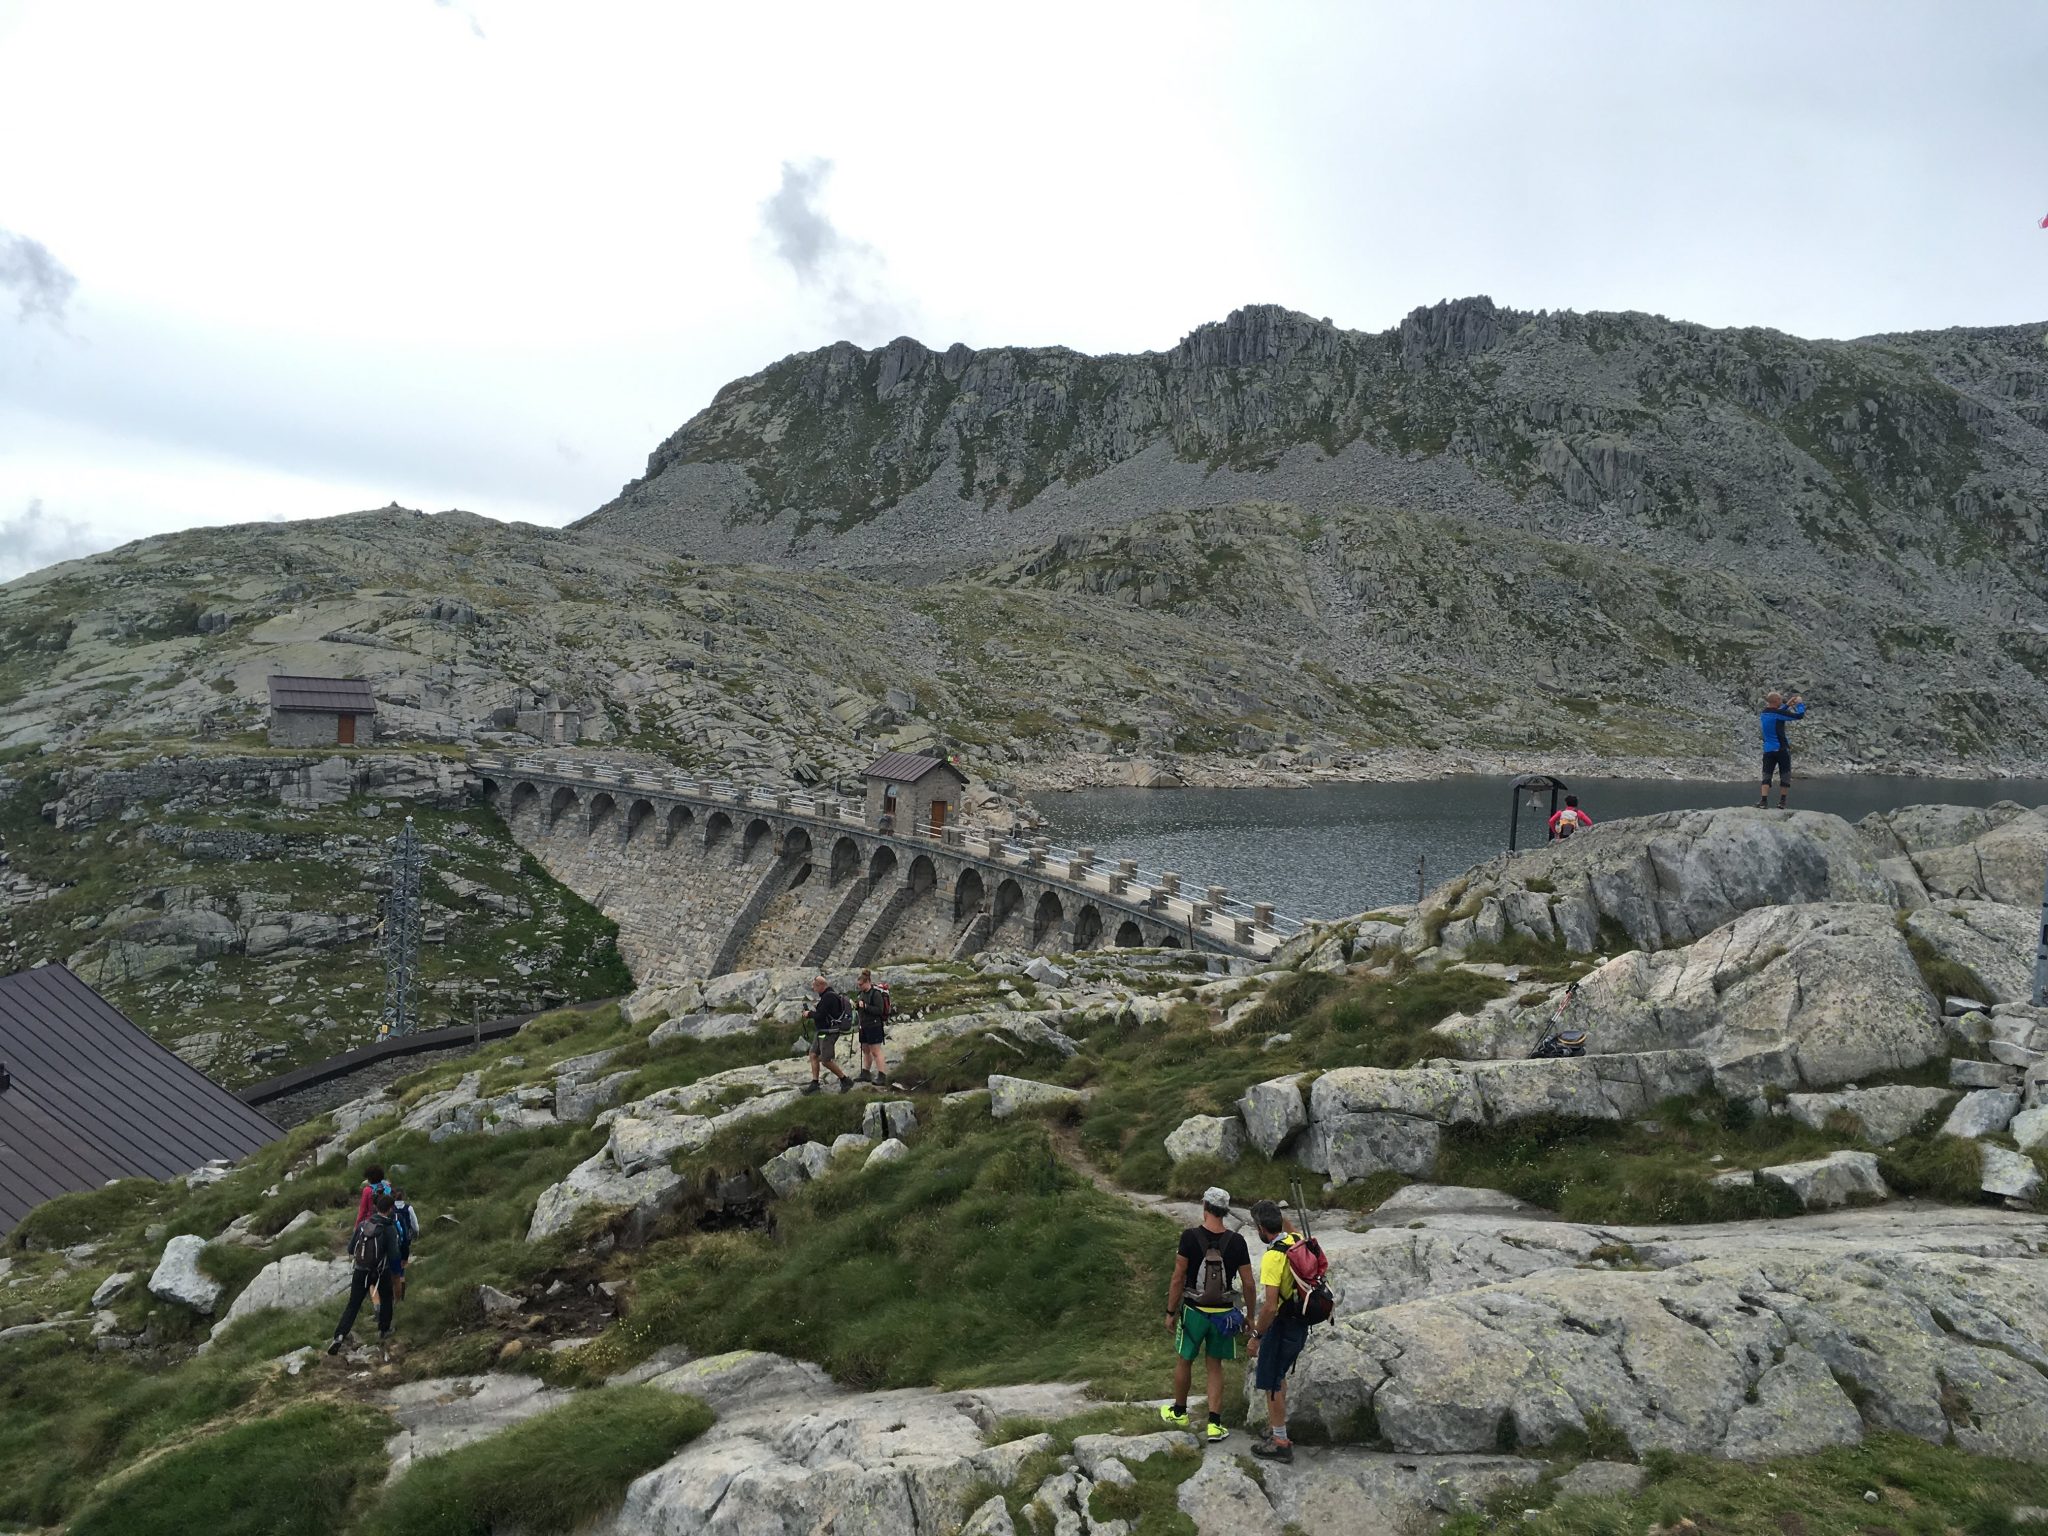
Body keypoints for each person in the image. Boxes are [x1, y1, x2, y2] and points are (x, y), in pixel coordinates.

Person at [1159, 1186, 1256, 1445]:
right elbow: (1248, 1283)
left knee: (1185, 1360)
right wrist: (1250, 1316)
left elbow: (1178, 1277)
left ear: (1205, 1206)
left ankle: (1179, 1413)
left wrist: (1170, 1311)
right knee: (1215, 1366)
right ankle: (1215, 1423)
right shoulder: (1237, 1241)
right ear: (1225, 1211)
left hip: (1194, 1311)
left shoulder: (1190, 1237)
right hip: (1224, 1314)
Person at [1248, 1198, 1312, 1464]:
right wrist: (1274, 1210)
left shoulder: (1274, 1257)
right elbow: (1290, 1226)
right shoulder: (1296, 1241)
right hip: (1300, 1323)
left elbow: (1270, 1307)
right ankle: (1278, 1428)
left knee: (1271, 1381)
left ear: (1262, 1228)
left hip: (1282, 1325)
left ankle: (1280, 1443)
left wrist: (1257, 1337)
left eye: (1256, 1227)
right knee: (1280, 1376)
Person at [329, 1190, 401, 1357]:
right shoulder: (388, 1228)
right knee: (386, 1297)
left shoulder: (363, 1225)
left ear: (376, 1208)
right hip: (381, 1271)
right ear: (389, 1209)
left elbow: (350, 1248)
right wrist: (395, 1272)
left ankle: (339, 1336)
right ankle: (384, 1330)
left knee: (353, 1304)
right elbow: (394, 1254)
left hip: (360, 1271)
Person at [801, 975, 853, 1094]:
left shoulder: (828, 997)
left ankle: (845, 1080)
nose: (814, 989)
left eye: (815, 986)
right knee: (813, 1054)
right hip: (821, 1031)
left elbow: (820, 1015)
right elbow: (823, 1013)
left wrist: (809, 1014)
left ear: (821, 985)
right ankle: (815, 1083)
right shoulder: (827, 996)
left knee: (825, 1060)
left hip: (829, 1032)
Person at [1758, 691, 1806, 809]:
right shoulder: (1779, 714)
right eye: (1780, 700)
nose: (1782, 701)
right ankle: (1782, 802)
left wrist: (1787, 705)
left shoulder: (1764, 713)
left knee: (1766, 774)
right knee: (1785, 774)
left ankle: (1763, 801)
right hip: (1781, 749)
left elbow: (1777, 712)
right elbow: (1799, 716)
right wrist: (1800, 704)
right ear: (1775, 701)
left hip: (1768, 750)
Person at [854, 969, 891, 1083]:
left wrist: (865, 1006)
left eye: (861, 984)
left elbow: (879, 1010)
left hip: (874, 1025)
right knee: (865, 1049)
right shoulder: (861, 994)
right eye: (858, 985)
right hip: (864, 1025)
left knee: (875, 1051)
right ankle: (866, 1072)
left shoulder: (875, 994)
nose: (859, 987)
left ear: (867, 982)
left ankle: (882, 1075)